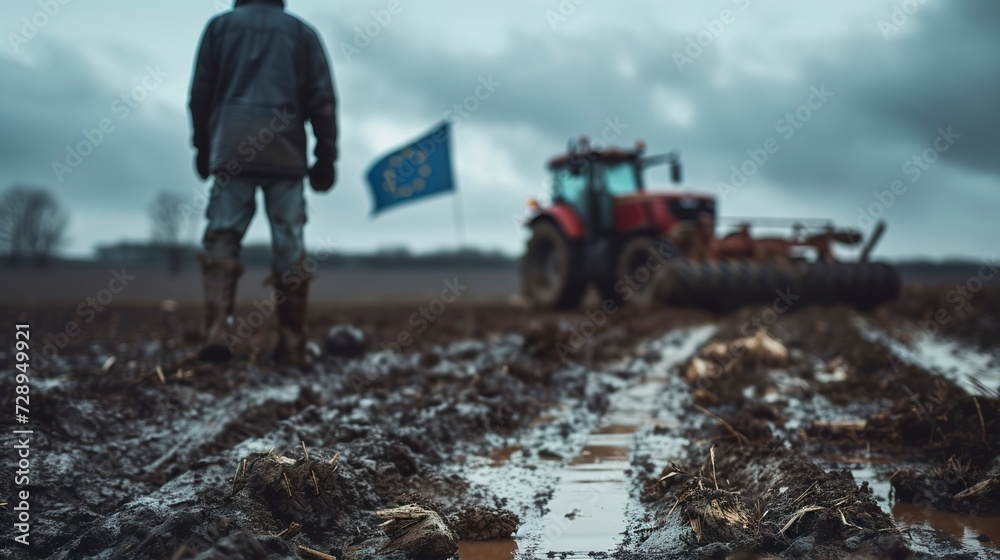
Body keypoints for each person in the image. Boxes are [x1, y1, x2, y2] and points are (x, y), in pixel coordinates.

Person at [188, 0, 338, 366]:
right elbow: (323, 100)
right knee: (289, 243)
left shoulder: (219, 28)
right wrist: (326, 156)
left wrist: (203, 146)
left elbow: (200, 95)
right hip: (285, 150)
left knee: (222, 237)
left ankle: (216, 333)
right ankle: (292, 345)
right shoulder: (302, 33)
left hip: (231, 146)